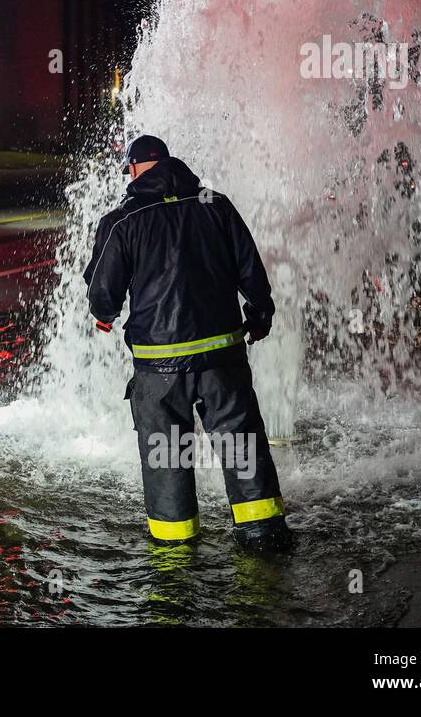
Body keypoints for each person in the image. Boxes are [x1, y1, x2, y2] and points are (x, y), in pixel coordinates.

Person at [85, 134, 292, 553]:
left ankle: (176, 552)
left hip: (159, 366)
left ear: (137, 168)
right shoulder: (215, 204)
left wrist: (104, 318)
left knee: (166, 456)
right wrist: (260, 314)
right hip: (222, 356)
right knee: (240, 440)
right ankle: (263, 534)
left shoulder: (123, 221)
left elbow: (102, 293)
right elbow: (250, 269)